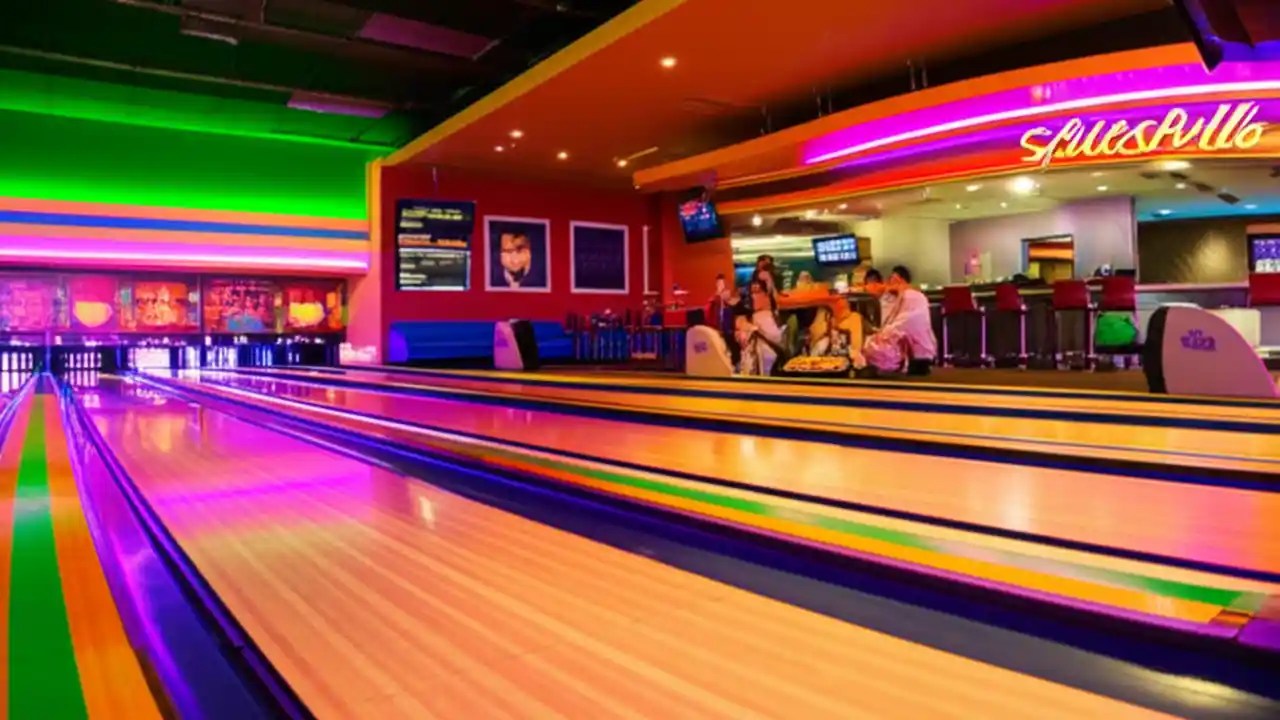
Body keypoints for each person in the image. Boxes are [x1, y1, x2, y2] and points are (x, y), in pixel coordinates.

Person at [862, 265, 937, 375]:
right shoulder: (901, 297)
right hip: (919, 354)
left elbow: (900, 326)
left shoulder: (911, 296)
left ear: (900, 279)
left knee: (876, 346)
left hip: (915, 357)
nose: (889, 283)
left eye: (893, 279)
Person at [735, 280, 784, 376]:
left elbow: (776, 337)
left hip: (772, 366)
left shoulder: (773, 316)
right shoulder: (750, 316)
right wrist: (747, 328)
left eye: (757, 292)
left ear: (766, 296)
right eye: (751, 293)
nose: (753, 296)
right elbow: (739, 322)